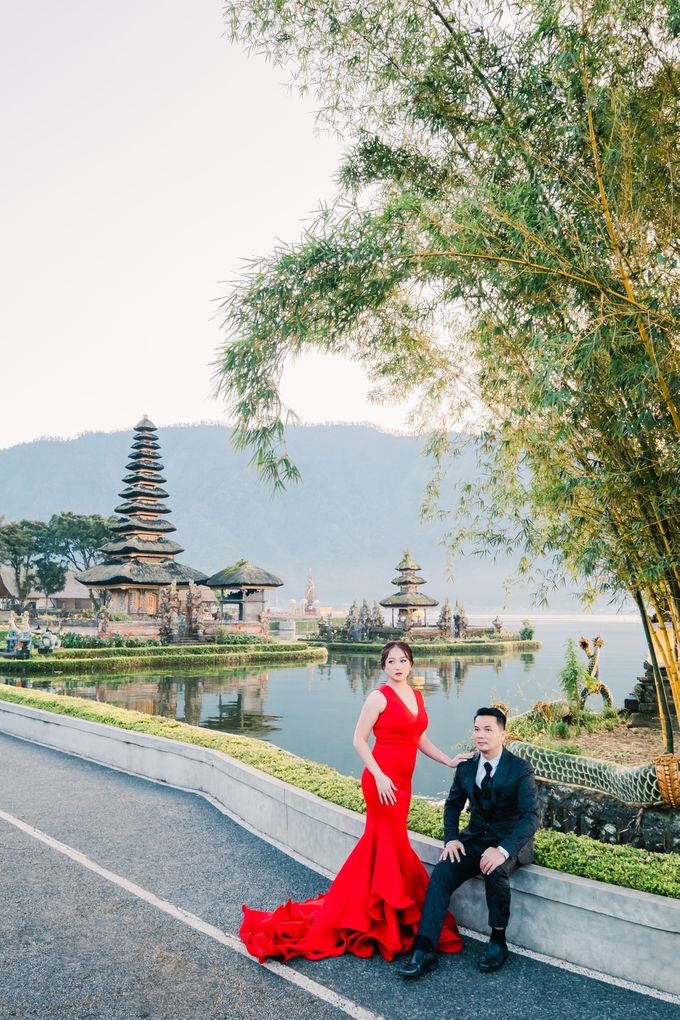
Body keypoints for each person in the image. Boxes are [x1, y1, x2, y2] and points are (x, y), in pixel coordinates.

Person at [240, 640, 473, 963]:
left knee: (387, 843)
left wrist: (448, 761)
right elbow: (358, 739)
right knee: (388, 842)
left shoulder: (417, 696)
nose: (398, 666)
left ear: (411, 664)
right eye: (391, 661)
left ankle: (379, 911)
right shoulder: (378, 697)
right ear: (384, 666)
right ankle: (381, 918)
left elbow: (417, 738)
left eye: (403, 660)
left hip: (402, 783)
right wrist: (378, 775)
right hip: (381, 781)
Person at [398, 706, 539, 979]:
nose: (481, 735)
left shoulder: (520, 769)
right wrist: (451, 838)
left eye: (488, 729)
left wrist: (503, 850)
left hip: (508, 843)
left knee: (495, 870)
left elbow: (531, 817)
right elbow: (452, 805)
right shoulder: (466, 766)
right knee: (441, 871)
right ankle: (425, 948)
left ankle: (498, 942)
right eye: (477, 729)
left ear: (502, 734)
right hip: (473, 839)